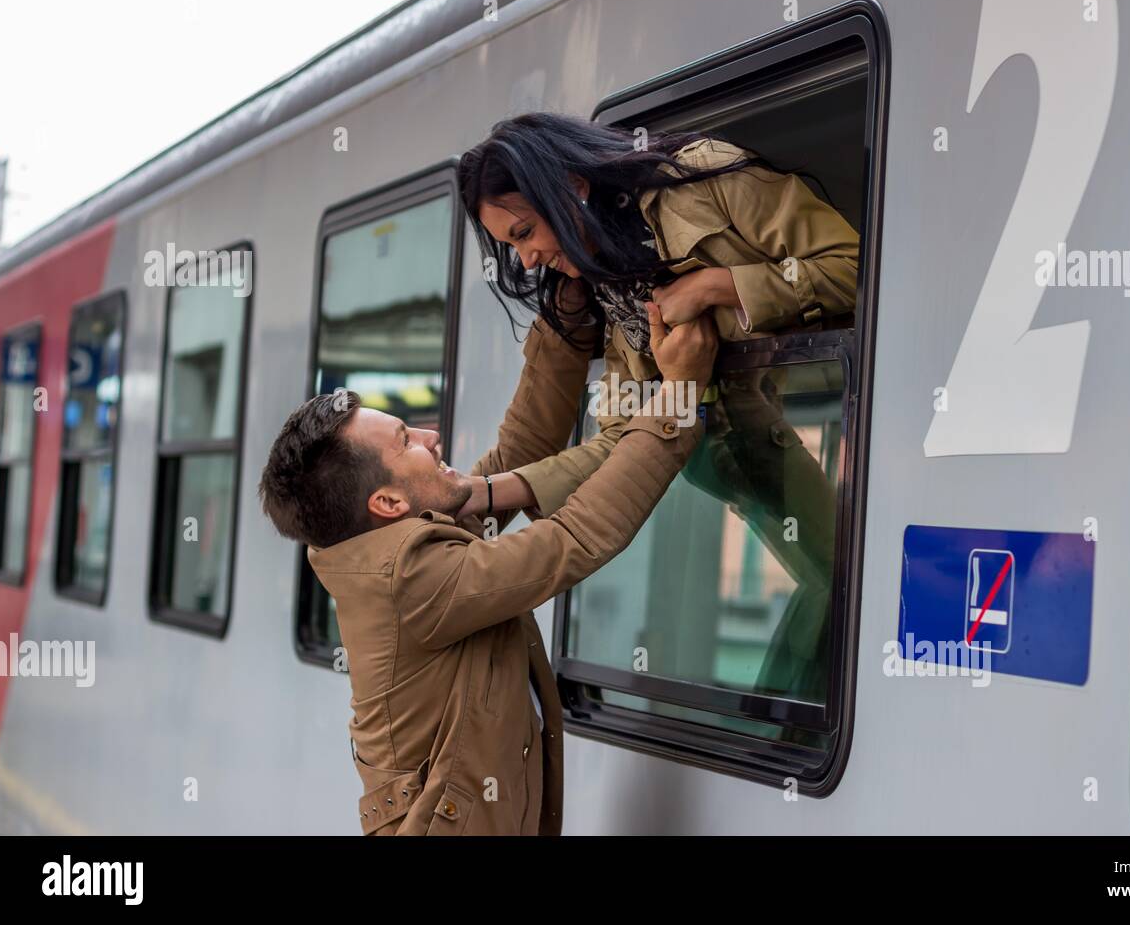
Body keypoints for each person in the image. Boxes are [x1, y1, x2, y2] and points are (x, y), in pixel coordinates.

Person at [257, 298, 717, 835]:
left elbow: (511, 462)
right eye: (408, 441)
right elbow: (573, 538)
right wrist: (678, 397)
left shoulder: (393, 543)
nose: (432, 438)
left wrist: (564, 319)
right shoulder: (414, 578)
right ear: (387, 503)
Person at [456, 112, 855, 705]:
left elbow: (856, 268)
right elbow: (619, 437)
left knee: (838, 585)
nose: (526, 261)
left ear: (573, 187)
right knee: (833, 584)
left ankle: (779, 722)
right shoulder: (601, 281)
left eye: (522, 233)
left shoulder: (705, 180)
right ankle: (778, 718)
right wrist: (468, 503)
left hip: (753, 441)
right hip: (713, 464)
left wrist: (719, 285)